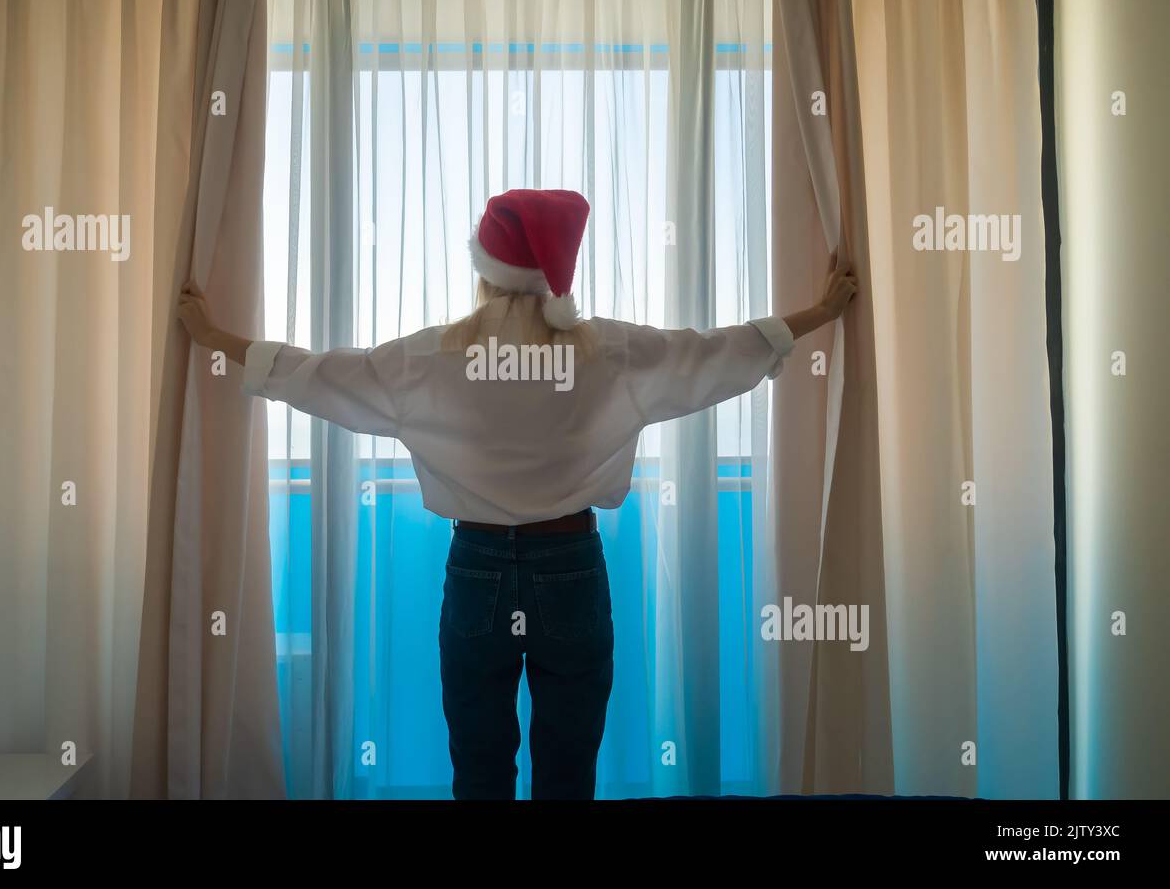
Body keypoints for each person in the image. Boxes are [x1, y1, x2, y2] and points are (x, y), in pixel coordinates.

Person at [176, 188, 857, 800]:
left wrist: (210, 336)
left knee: (479, 766)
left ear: (486, 273)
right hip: (570, 564)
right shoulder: (609, 353)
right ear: (554, 281)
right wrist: (822, 311)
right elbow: (719, 351)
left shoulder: (430, 358)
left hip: (477, 571)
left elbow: (312, 373)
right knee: (568, 769)